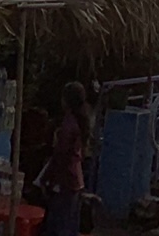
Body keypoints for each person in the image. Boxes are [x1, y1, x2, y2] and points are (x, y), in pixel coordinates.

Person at [41, 82, 90, 236]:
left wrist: (47, 179)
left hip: (65, 180)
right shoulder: (80, 121)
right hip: (74, 179)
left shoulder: (68, 124)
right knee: (69, 224)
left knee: (59, 224)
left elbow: (60, 156)